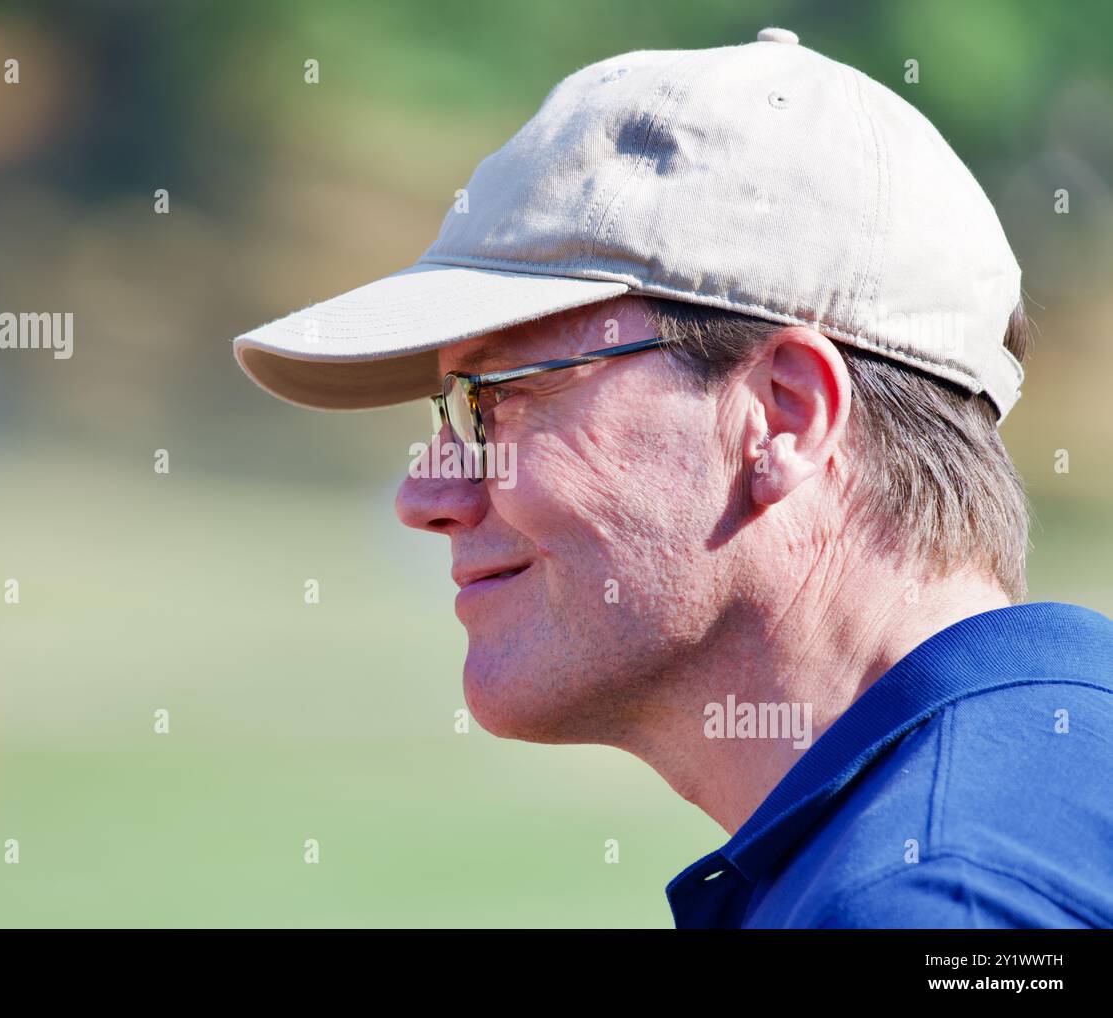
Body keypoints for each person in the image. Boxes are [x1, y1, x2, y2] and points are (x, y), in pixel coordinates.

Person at [230, 27, 1113, 928]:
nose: (426, 497)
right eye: (447, 410)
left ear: (783, 416)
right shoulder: (1047, 784)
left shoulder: (933, 906)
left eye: (497, 398)